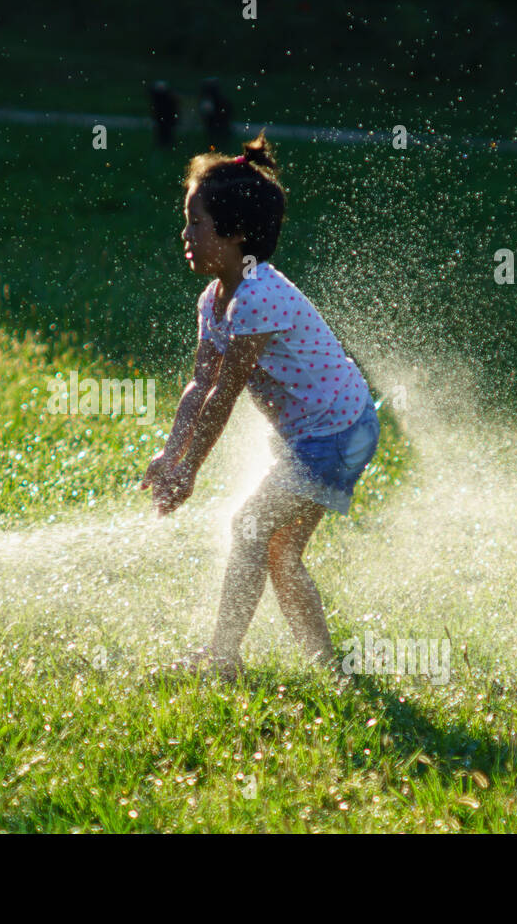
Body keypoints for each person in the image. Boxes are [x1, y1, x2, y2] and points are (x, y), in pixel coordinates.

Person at [140, 130, 380, 681]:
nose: (186, 234)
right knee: (277, 550)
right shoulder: (216, 297)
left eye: (196, 223)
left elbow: (224, 397)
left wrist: (191, 473)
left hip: (336, 435)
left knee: (251, 528)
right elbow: (199, 384)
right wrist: (171, 455)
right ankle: (329, 668)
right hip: (326, 432)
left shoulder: (257, 297)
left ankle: (222, 659)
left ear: (238, 233)